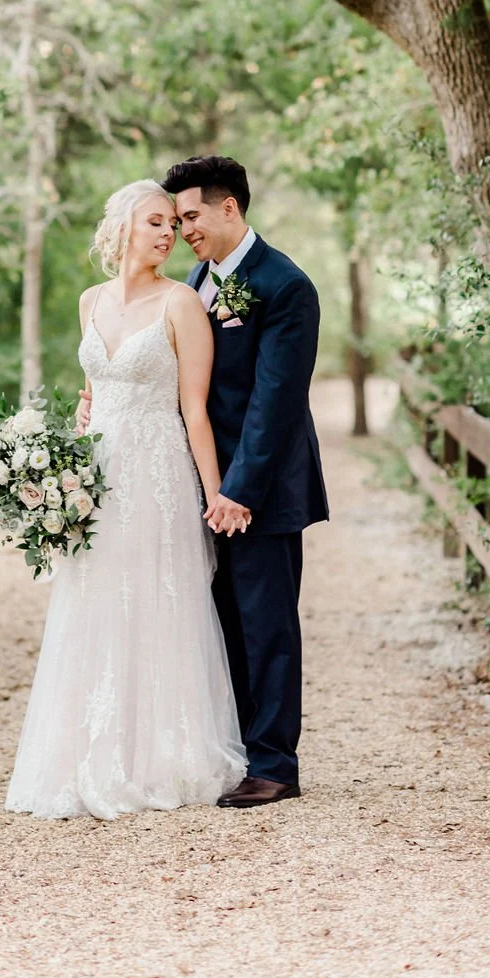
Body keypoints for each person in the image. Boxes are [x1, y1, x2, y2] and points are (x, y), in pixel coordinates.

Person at [6, 179, 245, 820]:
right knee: (95, 599)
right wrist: (61, 468)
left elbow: (195, 411)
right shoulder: (89, 302)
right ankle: (88, 753)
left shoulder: (183, 304)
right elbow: (92, 395)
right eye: (155, 223)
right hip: (99, 474)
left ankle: (163, 756)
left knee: (157, 598)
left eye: (173, 224)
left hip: (158, 472)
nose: (169, 234)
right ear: (122, 229)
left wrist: (219, 494)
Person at [161, 154, 328, 808]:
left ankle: (275, 766)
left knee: (267, 628)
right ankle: (237, 750)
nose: (185, 230)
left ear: (230, 207)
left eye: (192, 215)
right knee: (224, 623)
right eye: (177, 220)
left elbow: (275, 402)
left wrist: (238, 491)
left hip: (260, 494)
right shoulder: (198, 279)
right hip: (205, 489)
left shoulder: (286, 286)